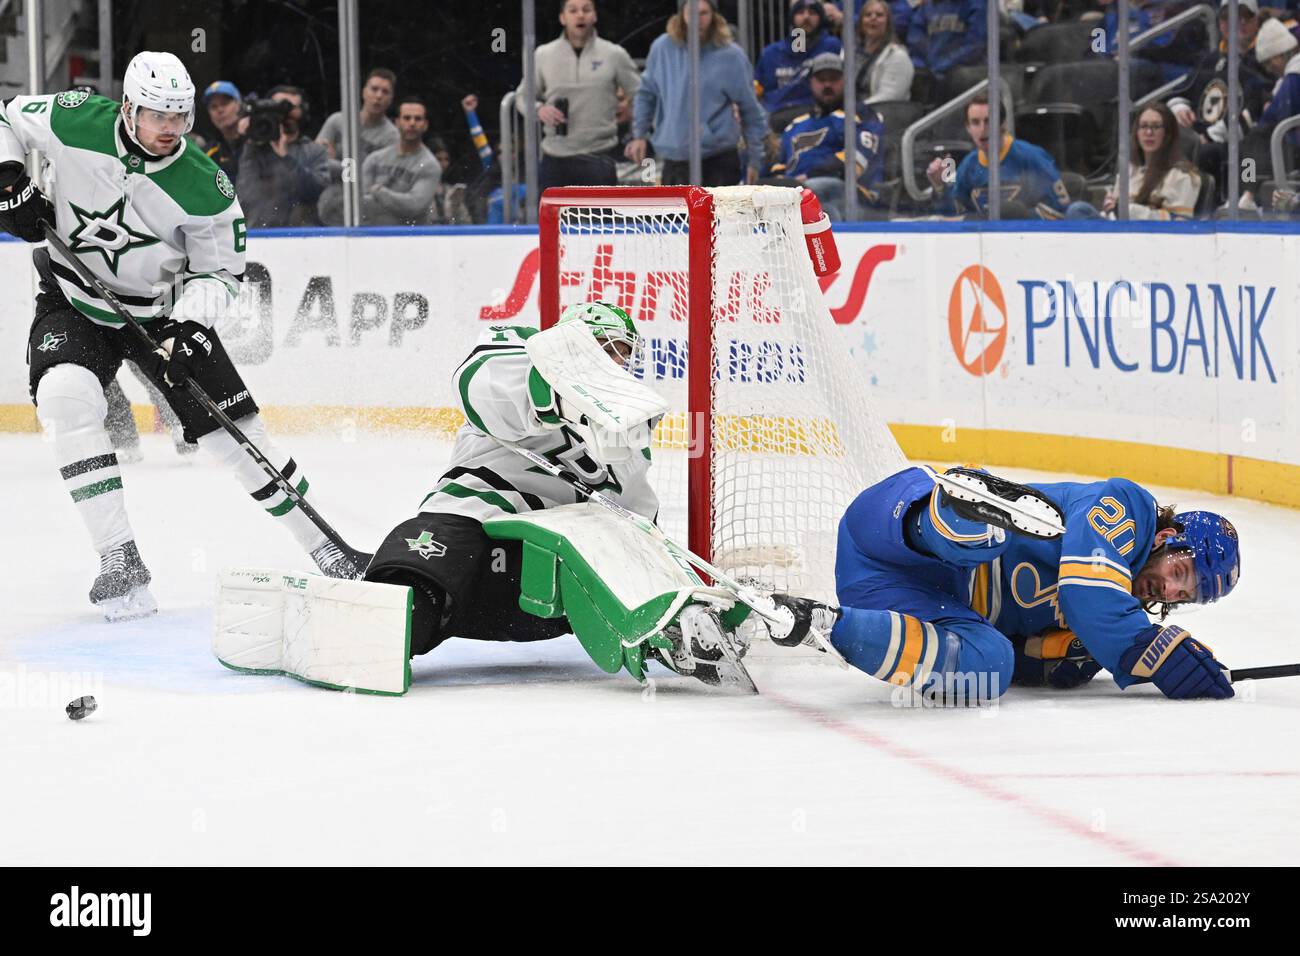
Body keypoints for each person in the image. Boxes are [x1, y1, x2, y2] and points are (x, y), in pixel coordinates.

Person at [0, 52, 369, 621]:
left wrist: (191, 328)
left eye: (180, 116)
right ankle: (118, 556)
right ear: (127, 107)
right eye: (157, 115)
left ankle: (326, 546)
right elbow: (4, 116)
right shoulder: (74, 119)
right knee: (65, 398)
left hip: (159, 316)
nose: (170, 128)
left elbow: (221, 272)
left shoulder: (207, 187)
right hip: (73, 299)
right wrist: (8, 180)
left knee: (238, 436)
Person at [361, 302, 805, 689]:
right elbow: (480, 384)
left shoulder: (629, 437)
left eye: (621, 352)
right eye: (601, 346)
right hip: (472, 535)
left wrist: (671, 582)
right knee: (416, 590)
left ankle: (679, 636)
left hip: (540, 593)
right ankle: (378, 626)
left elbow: (634, 521)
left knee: (625, 559)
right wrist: (568, 395)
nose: (612, 360)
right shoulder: (517, 352)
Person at [768, 466, 1241, 703]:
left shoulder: (1111, 625)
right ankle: (960, 505)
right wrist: (1152, 653)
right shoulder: (1128, 507)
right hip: (890, 531)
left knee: (990, 668)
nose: (1171, 591)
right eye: (1180, 573)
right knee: (984, 539)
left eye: (1185, 595)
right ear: (1165, 536)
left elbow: (1034, 662)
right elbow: (1084, 591)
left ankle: (817, 626)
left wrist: (1045, 664)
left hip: (886, 597)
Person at [628, 0, 768, 187]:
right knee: (676, 216)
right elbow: (646, 94)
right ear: (681, 15)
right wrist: (639, 134)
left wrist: (754, 160)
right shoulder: (662, 48)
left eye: (703, 13)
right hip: (674, 156)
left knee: (716, 215)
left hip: (718, 157)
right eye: (691, 13)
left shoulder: (731, 56)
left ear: (713, 16)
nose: (697, 20)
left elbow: (750, 109)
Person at [518, 0, 641, 192]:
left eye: (586, 9)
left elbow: (641, 95)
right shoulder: (543, 55)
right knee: (551, 222)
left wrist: (636, 128)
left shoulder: (614, 54)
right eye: (573, 10)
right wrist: (539, 109)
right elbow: (523, 96)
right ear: (562, 18)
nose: (580, 15)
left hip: (599, 156)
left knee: (600, 223)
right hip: (555, 159)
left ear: (595, 16)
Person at [766, 53, 888, 217]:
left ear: (846, 80)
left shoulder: (861, 115)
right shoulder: (795, 125)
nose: (828, 84)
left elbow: (856, 161)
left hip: (848, 194)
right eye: (821, 79)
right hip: (796, 193)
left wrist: (807, 178)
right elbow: (780, 165)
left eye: (834, 78)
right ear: (811, 82)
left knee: (816, 192)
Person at [926, 94, 1070, 218]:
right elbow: (955, 216)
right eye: (975, 122)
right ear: (968, 128)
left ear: (1003, 124)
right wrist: (940, 187)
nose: (983, 129)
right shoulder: (968, 166)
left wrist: (1021, 219)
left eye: (989, 121)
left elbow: (1060, 211)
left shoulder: (1031, 158)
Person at [1066, 103, 1202, 220]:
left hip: (1149, 242)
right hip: (1119, 233)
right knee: (1078, 211)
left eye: (1156, 127)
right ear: (1136, 132)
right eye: (1143, 126)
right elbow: (1115, 208)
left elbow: (1180, 223)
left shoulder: (1183, 176)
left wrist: (1129, 210)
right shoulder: (1129, 170)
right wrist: (1110, 205)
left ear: (1168, 133)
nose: (1149, 132)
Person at [236, 85, 329, 227]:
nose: (284, 115)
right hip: (257, 233)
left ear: (302, 112)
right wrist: (246, 139)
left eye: (289, 108)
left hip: (302, 234)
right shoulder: (253, 148)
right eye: (276, 108)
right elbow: (244, 194)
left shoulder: (315, 151)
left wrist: (285, 157)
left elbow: (314, 192)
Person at [316, 67, 399, 224]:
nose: (378, 96)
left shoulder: (392, 137)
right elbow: (317, 165)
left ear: (391, 98)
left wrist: (338, 166)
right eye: (374, 89)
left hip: (367, 209)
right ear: (363, 92)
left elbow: (378, 182)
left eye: (385, 91)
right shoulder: (337, 122)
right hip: (328, 203)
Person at [361, 97, 441, 226]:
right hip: (373, 234)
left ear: (425, 125)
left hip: (410, 237)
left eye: (418, 119)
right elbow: (362, 200)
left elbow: (414, 205)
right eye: (407, 118)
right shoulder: (374, 158)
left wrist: (379, 192)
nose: (412, 123)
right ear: (397, 122)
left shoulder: (430, 165)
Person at [753, 1, 844, 116]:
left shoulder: (832, 46)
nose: (806, 17)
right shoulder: (771, 52)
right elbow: (757, 88)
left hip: (817, 114)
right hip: (777, 114)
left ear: (821, 18)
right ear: (792, 18)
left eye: (812, 13)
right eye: (800, 12)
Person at [906, 0, 987, 82]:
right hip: (932, 72)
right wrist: (923, 69)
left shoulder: (977, 4)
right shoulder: (926, 8)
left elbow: (975, 46)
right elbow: (916, 44)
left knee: (960, 77)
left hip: (966, 70)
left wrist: (941, 66)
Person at [856, 0, 914, 104]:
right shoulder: (852, 54)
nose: (873, 18)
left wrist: (852, 112)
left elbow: (889, 97)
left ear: (888, 23)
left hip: (877, 115)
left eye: (879, 15)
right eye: (868, 15)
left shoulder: (898, 57)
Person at [202, 80, 245, 182]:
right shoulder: (206, 155)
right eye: (213, 106)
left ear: (239, 105)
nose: (220, 110)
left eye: (225, 103)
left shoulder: (259, 142)